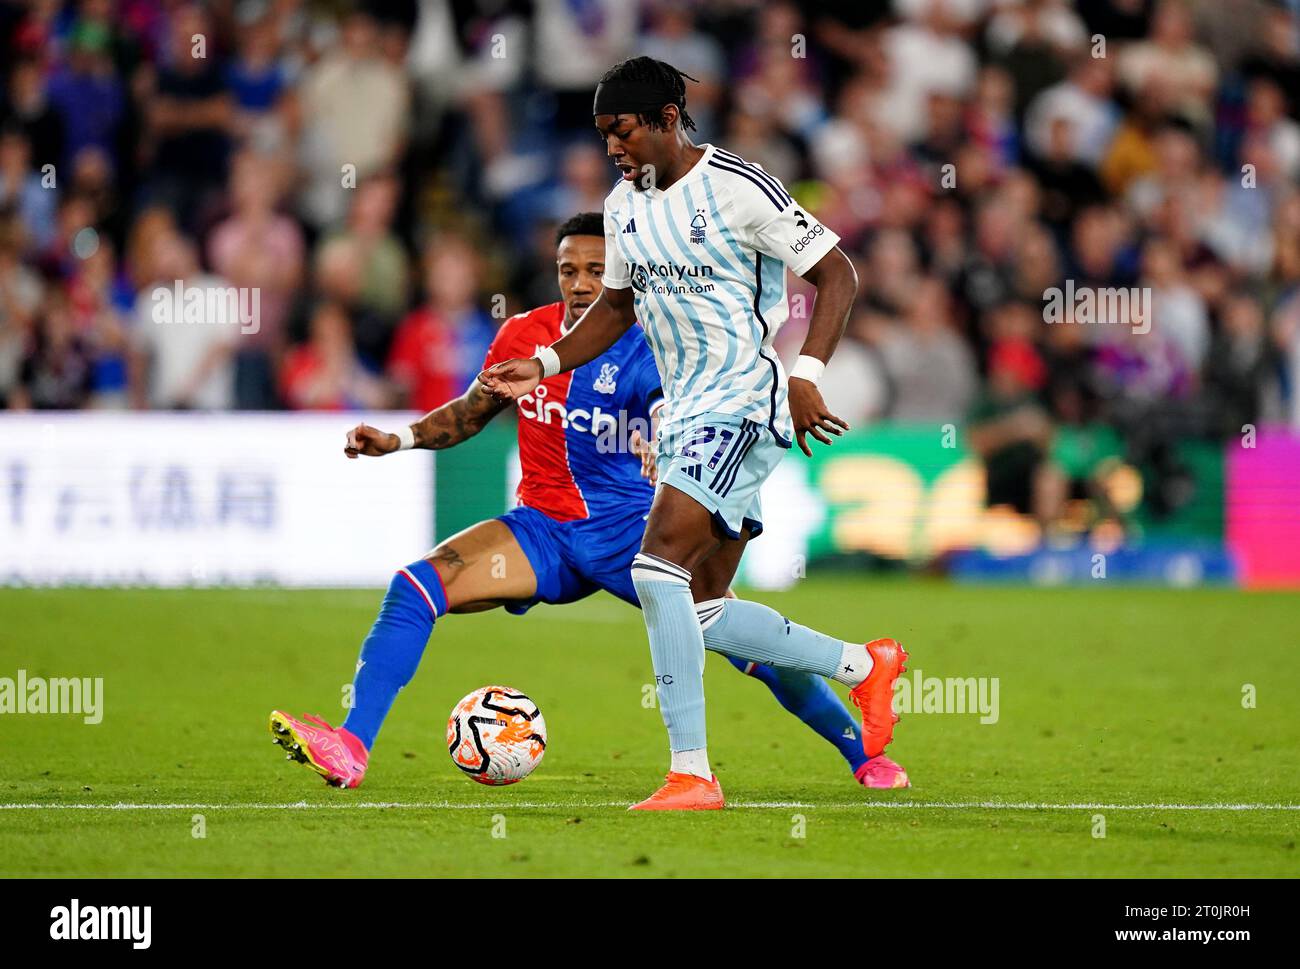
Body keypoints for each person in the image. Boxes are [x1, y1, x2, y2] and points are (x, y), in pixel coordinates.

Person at [269, 213, 906, 792]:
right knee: (415, 586)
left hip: (630, 533)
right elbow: (471, 413)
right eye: (569, 269)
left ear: (625, 274)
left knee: (739, 642)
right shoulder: (525, 333)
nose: (580, 283)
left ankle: (862, 755)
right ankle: (351, 746)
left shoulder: (650, 340)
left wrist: (663, 444)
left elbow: (665, 406)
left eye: (597, 271)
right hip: (541, 531)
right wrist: (397, 438)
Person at [479, 58, 909, 811]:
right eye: (603, 134)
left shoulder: (739, 188)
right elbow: (614, 312)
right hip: (685, 416)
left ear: (668, 119)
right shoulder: (623, 208)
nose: (612, 147)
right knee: (703, 609)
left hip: (743, 402)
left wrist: (805, 372)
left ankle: (692, 774)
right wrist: (543, 361)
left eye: (623, 131)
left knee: (654, 568)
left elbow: (836, 272)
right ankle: (862, 664)